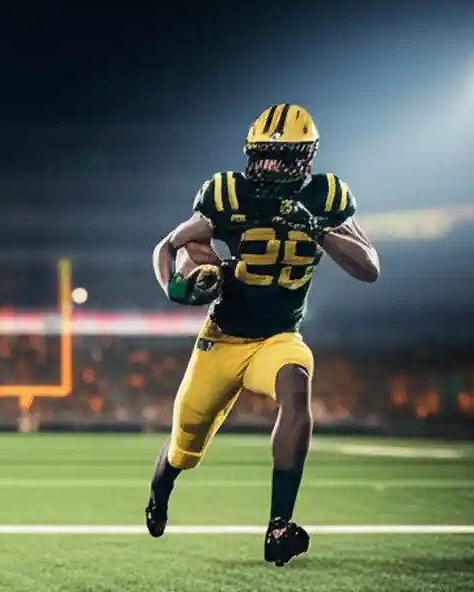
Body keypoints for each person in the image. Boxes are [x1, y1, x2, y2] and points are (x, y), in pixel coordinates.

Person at [147, 103, 381, 566]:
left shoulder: (326, 197)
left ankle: (279, 524)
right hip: (223, 338)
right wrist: (185, 281)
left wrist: (317, 229)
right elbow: (172, 246)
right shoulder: (228, 192)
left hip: (278, 337)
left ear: (306, 158)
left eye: (280, 157)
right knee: (184, 444)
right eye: (261, 155)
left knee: (296, 390)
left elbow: (369, 267)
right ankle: (161, 490)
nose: (267, 167)